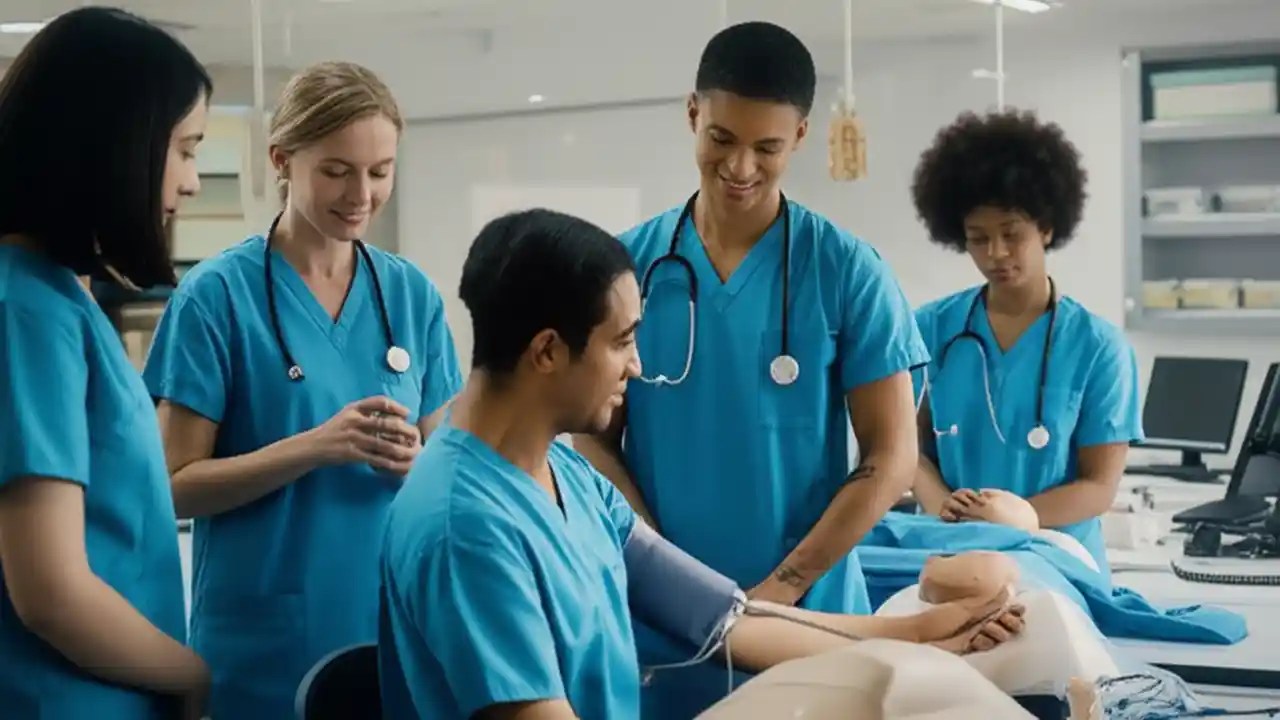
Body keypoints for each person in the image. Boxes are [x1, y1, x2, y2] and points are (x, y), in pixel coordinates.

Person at [378, 208, 1025, 720]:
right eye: (624, 342)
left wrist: (924, 634)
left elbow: (728, 620)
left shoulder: (566, 478)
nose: (636, 366)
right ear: (547, 351)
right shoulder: (464, 525)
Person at [574, 21, 929, 713]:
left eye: (766, 147)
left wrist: (779, 592)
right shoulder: (625, 267)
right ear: (692, 115)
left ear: (799, 136)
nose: (740, 168)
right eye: (722, 140)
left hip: (811, 618)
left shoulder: (846, 271)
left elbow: (891, 459)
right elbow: (591, 435)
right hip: (663, 624)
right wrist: (658, 562)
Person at [143, 61, 462, 718]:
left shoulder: (410, 295)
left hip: (391, 631)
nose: (362, 194)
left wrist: (417, 465)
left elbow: (450, 474)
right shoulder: (216, 298)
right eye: (337, 171)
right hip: (261, 644)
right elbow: (173, 482)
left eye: (380, 172)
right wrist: (315, 447)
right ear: (282, 160)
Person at [0, 8, 213, 719]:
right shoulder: (25, 309)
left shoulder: (58, 297)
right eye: (185, 149)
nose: (191, 181)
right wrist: (187, 674)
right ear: (117, 144)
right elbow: (52, 592)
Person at [907, 108, 1143, 580]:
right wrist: (939, 505)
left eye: (1011, 235)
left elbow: (1099, 486)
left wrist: (1018, 516)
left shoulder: (1098, 346)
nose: (995, 253)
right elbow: (905, 448)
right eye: (978, 239)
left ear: (1047, 228)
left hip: (1055, 559)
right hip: (952, 554)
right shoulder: (930, 328)